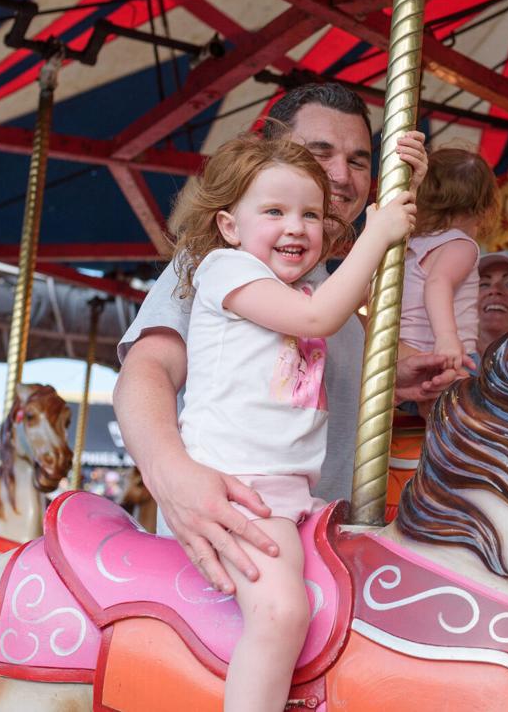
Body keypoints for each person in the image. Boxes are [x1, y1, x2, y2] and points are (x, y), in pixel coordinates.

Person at [115, 83, 455, 596]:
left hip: (323, 539)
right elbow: (148, 369)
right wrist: (169, 473)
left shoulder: (329, 288)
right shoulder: (223, 263)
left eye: (359, 161)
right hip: (240, 528)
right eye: (320, 153)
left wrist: (398, 376)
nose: (340, 175)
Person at [166, 134, 415, 711]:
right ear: (229, 226)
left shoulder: (297, 288)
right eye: (274, 212)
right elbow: (320, 316)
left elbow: (351, 295)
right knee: (282, 612)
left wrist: (404, 191)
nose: (296, 227)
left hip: (291, 495)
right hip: (241, 492)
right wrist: (377, 233)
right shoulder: (225, 271)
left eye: (310, 214)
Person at [398, 148, 499, 374]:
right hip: (450, 355)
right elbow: (438, 282)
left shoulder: (411, 245)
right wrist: (447, 337)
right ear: (482, 209)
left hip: (405, 356)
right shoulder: (461, 244)